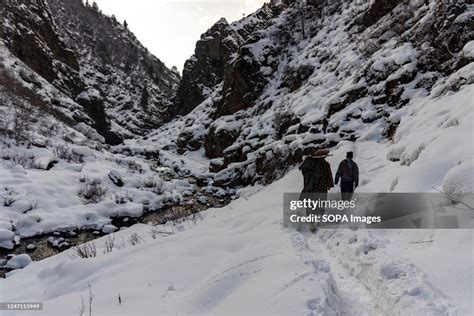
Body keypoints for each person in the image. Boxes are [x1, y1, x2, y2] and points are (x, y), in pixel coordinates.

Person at [299, 148, 334, 232]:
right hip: (321, 188)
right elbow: (328, 176)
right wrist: (329, 185)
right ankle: (318, 220)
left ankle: (311, 221)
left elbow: (305, 176)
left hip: (309, 187)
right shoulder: (325, 164)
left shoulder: (307, 163)